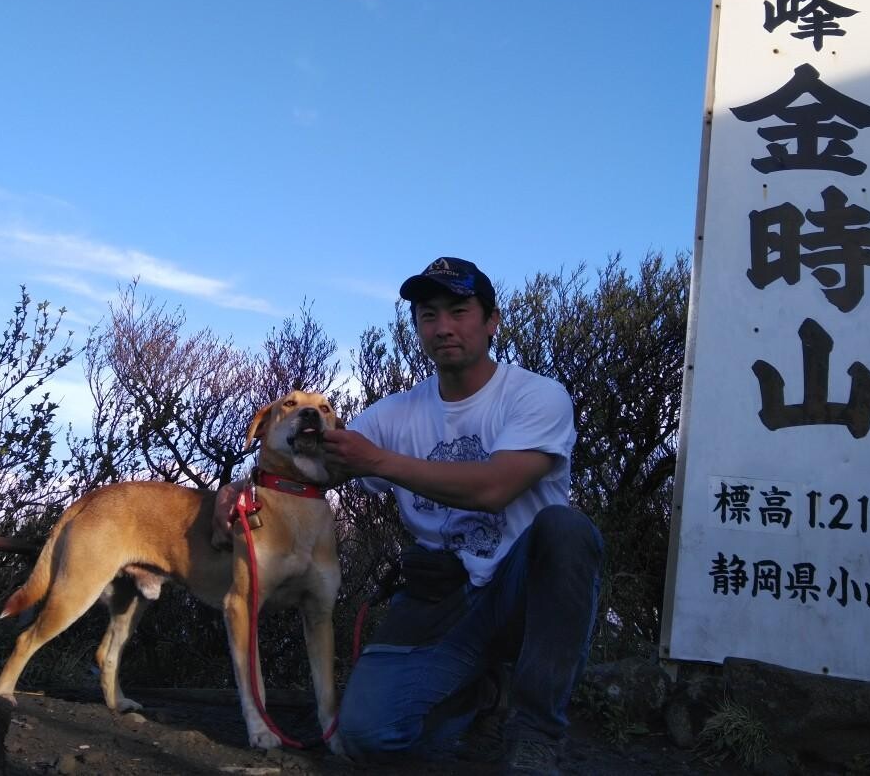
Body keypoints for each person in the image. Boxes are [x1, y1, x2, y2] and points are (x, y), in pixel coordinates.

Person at [216, 257, 603, 775]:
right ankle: (482, 696)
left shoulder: (536, 396)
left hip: (519, 593)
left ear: (492, 321)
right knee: (367, 736)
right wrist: (239, 487)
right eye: (428, 315)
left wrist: (379, 462)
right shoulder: (394, 414)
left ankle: (536, 733)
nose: (443, 327)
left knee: (567, 532)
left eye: (459, 312)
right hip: (440, 598)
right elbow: (310, 462)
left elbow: (495, 488)